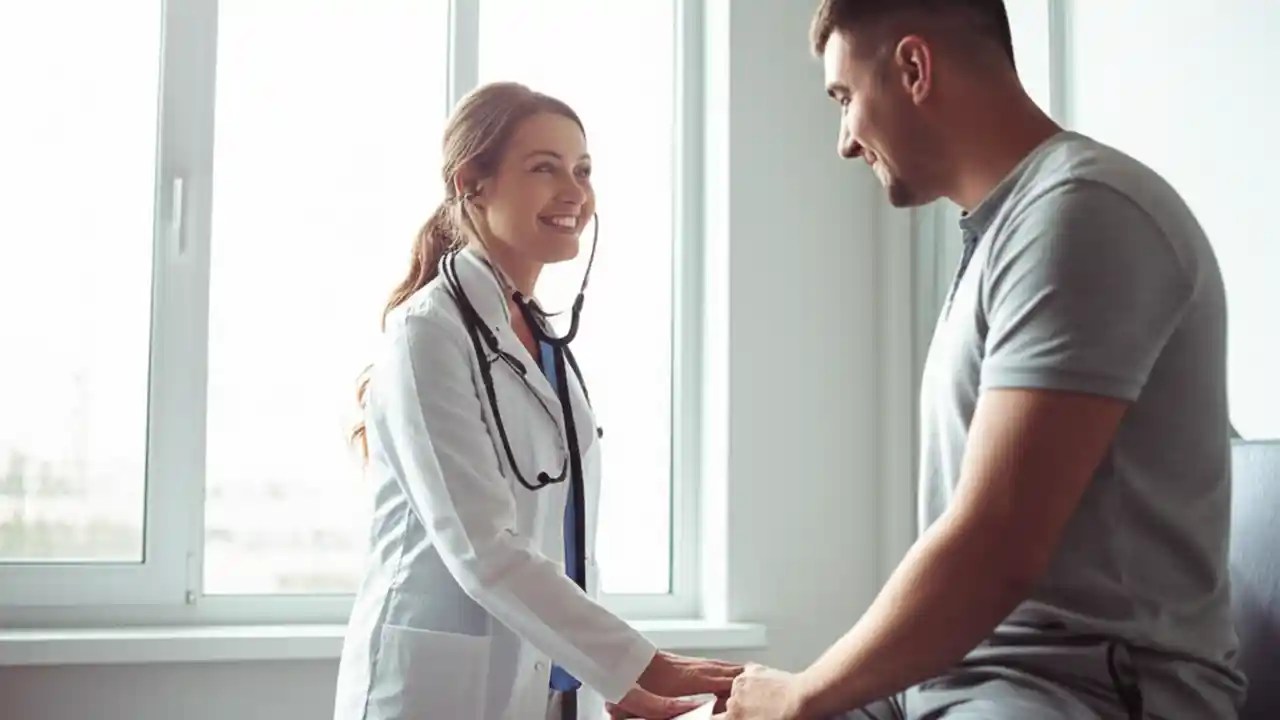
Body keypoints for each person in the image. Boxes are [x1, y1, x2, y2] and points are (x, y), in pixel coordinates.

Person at [718, 1, 1245, 718]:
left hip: (1083, 691)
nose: (844, 140)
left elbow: (994, 542)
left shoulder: (1084, 210)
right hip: (968, 678)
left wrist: (805, 693)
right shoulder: (1008, 234)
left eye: (845, 98)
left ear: (912, 67)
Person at [333, 81, 739, 720]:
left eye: (582, 170)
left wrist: (613, 679)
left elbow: (559, 541)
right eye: (544, 168)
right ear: (474, 182)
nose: (574, 191)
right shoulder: (427, 334)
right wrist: (646, 663)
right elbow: (483, 549)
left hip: (543, 693)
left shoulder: (542, 341)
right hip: (435, 694)